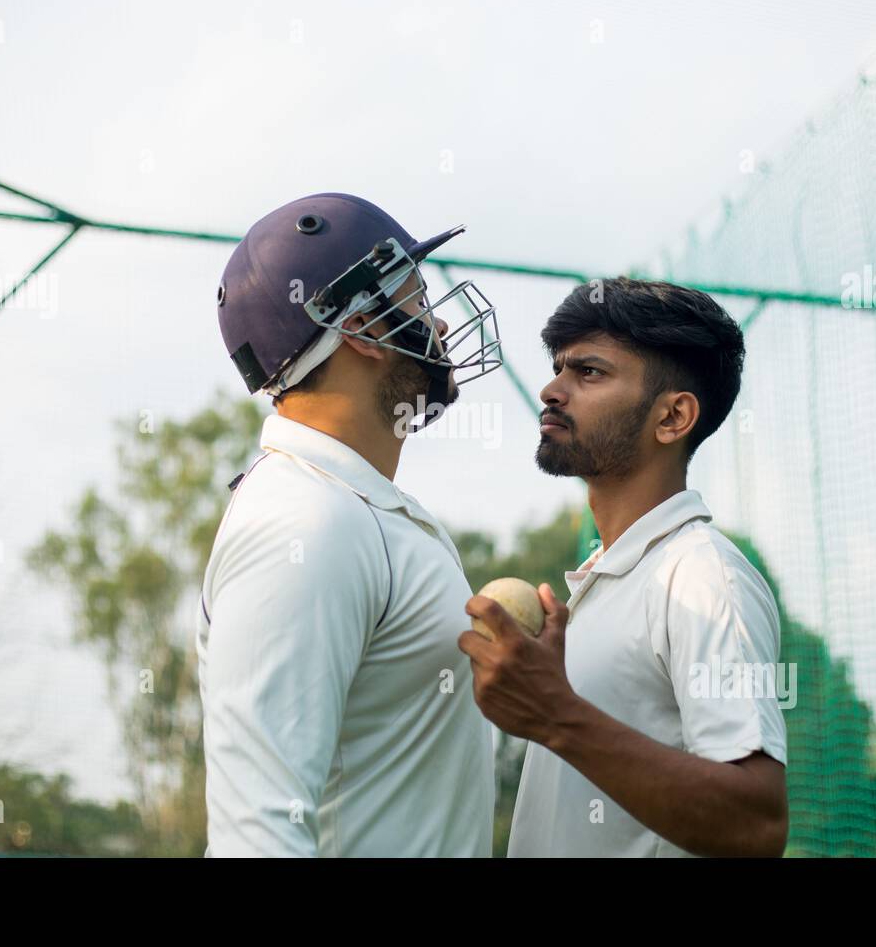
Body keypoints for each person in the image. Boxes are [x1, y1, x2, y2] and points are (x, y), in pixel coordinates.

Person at [197, 192, 502, 856]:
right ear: (362, 329)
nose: (441, 326)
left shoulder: (351, 506)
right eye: (416, 298)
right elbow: (259, 835)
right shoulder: (305, 523)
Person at [461, 276, 789, 857]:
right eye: (559, 368)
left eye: (588, 373)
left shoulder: (703, 576)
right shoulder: (607, 579)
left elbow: (756, 824)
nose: (552, 390)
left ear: (673, 417)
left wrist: (557, 715)